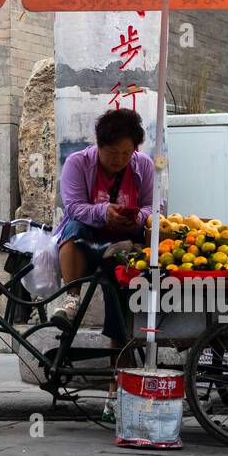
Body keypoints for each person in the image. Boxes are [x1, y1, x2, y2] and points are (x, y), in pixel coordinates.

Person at [51, 108, 154, 340]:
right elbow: (74, 207)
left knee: (119, 284)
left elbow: (154, 207)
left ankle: (118, 354)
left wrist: (135, 218)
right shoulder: (77, 163)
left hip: (126, 241)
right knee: (74, 227)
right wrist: (103, 212)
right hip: (88, 238)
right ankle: (72, 298)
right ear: (99, 145)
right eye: (113, 152)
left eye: (126, 153)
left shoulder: (144, 165)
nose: (119, 159)